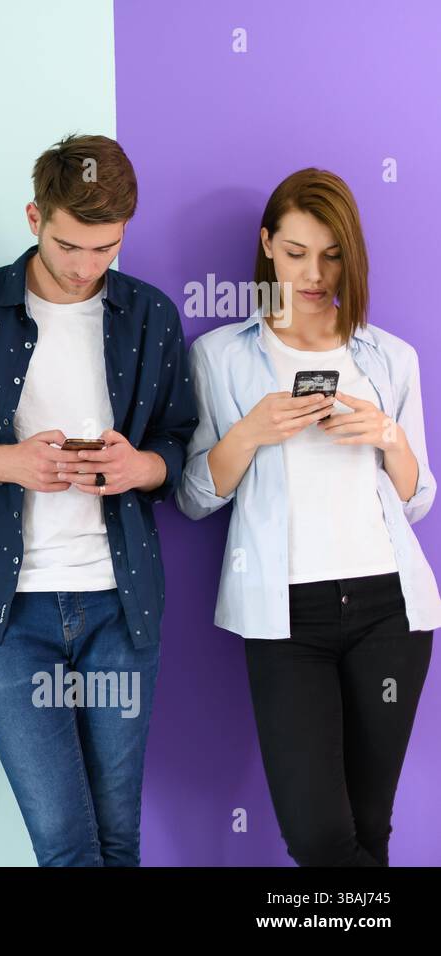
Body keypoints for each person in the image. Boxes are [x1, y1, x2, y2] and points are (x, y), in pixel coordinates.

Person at [0, 134, 197, 866]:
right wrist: (11, 462)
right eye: (69, 245)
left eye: (105, 249)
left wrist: (140, 467)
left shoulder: (151, 316)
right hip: (8, 609)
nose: (85, 267)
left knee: (116, 837)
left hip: (119, 600)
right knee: (65, 844)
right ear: (33, 216)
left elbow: (179, 441)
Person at [176, 168, 438, 867]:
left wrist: (392, 439)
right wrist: (251, 432)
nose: (314, 274)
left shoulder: (389, 357)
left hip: (391, 611)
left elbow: (418, 501)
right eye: (295, 253)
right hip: (285, 617)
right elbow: (195, 496)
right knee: (321, 838)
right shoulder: (222, 357)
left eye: (330, 255)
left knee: (371, 829)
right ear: (266, 246)